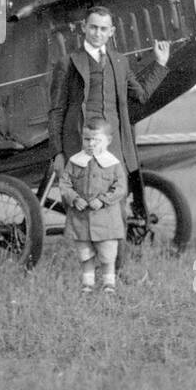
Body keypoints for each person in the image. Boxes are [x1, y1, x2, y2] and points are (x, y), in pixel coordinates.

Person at [47, 5, 172, 199]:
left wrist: (160, 63)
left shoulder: (120, 62)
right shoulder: (67, 63)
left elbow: (141, 95)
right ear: (83, 27)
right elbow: (56, 111)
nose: (98, 33)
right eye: (93, 27)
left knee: (115, 206)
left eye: (103, 29)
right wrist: (57, 153)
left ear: (111, 32)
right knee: (83, 205)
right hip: (81, 145)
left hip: (114, 147)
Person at [59, 119, 129, 294]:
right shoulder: (75, 162)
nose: (90, 144)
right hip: (81, 218)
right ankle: (87, 283)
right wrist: (74, 199)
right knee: (85, 253)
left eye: (96, 140)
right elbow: (64, 184)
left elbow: (121, 188)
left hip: (106, 219)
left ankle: (109, 284)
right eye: (86, 139)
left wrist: (104, 200)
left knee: (107, 253)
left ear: (108, 141)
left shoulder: (113, 164)